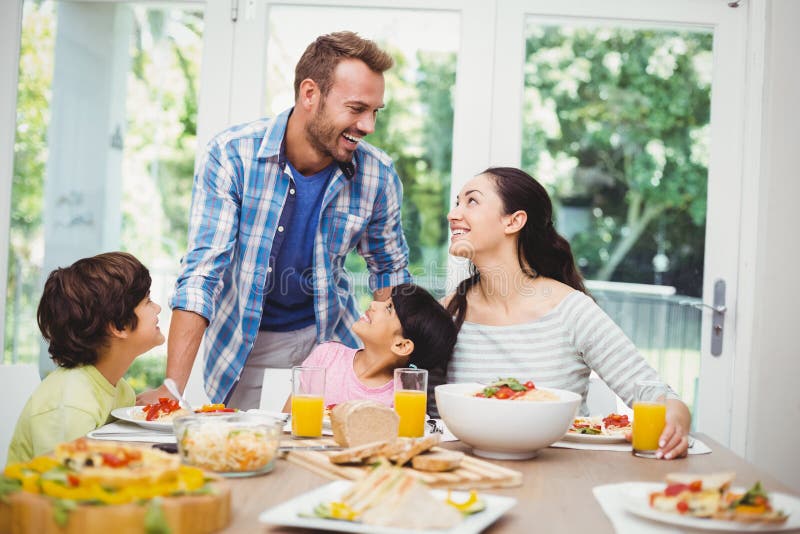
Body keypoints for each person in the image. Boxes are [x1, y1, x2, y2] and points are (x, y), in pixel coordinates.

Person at [137, 31, 411, 409]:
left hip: (330, 341)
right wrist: (172, 387)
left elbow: (390, 273)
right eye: (356, 108)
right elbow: (203, 273)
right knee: (249, 454)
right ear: (310, 94)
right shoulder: (232, 156)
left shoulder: (377, 175)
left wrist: (393, 366)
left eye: (375, 111)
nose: (368, 126)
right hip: (248, 344)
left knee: (334, 459)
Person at [443, 167, 692, 459]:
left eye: (471, 201)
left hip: (563, 478)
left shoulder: (571, 310)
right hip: (469, 475)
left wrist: (674, 423)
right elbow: (425, 411)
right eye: (457, 202)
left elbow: (657, 395)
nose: (453, 214)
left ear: (514, 221)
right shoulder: (449, 310)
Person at [6, 252, 164, 464]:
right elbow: (65, 485)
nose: (158, 308)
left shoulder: (121, 390)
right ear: (119, 326)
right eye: (148, 301)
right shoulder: (72, 403)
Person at [282, 283, 457, 410]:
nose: (374, 304)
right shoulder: (327, 356)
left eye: (389, 308)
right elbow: (288, 422)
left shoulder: (401, 399)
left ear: (401, 345)